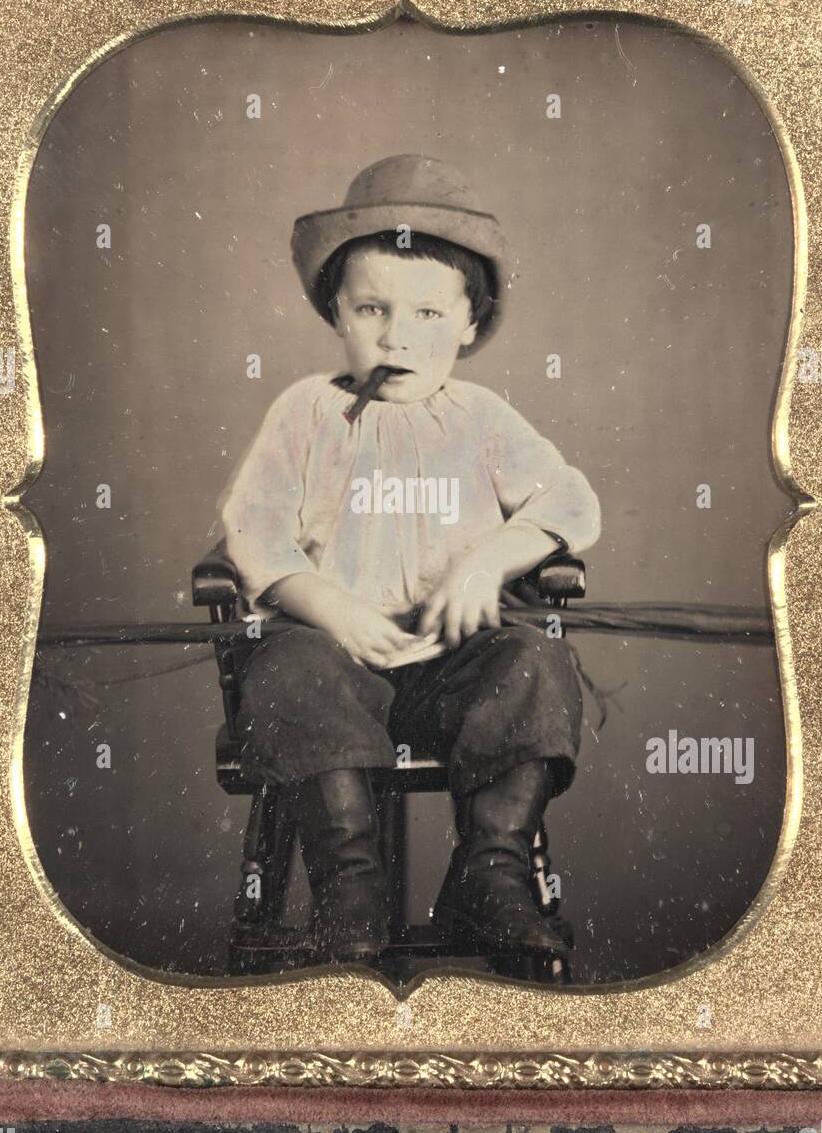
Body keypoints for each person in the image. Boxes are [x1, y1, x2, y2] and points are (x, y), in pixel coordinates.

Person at [215, 154, 602, 966]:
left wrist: (486, 562)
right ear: (335, 314)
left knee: (534, 662)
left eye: (428, 313)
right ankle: (348, 892)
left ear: (469, 321)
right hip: (334, 662)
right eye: (371, 309)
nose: (397, 336)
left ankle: (488, 873)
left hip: (451, 666)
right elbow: (252, 529)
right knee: (286, 672)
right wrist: (328, 604)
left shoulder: (482, 417)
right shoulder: (306, 412)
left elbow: (570, 503)